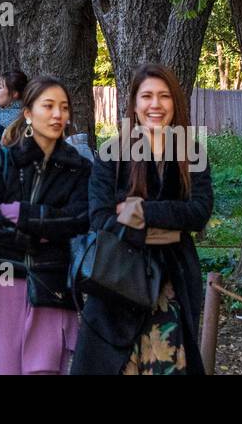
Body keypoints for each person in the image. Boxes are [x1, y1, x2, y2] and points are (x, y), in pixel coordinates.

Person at [71, 63, 213, 376]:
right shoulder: (112, 153)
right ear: (134, 104)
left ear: (175, 103)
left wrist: (142, 211)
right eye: (147, 96)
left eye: (164, 96)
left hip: (171, 285)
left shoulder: (191, 154)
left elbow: (199, 213)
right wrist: (168, 228)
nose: (155, 104)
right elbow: (100, 219)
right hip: (118, 281)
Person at [0, 77, 90, 373]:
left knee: (45, 367)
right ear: (27, 113)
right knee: (3, 367)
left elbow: (79, 219)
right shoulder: (0, 161)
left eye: (63, 107)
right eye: (47, 106)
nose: (56, 114)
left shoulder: (79, 167)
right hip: (5, 277)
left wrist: (21, 213)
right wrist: (40, 234)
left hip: (52, 281)